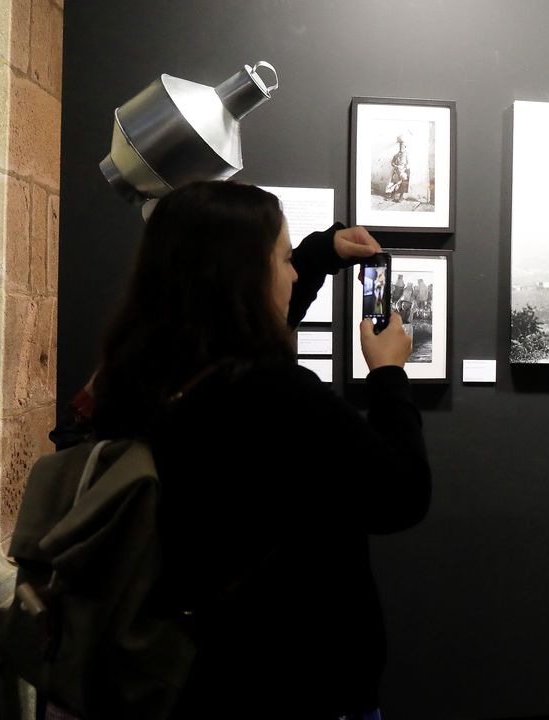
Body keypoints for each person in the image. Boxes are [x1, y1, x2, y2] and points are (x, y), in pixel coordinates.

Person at [84, 181, 431, 719]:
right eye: (286, 260)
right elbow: (403, 494)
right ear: (242, 278)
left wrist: (321, 252)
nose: (295, 274)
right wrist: (388, 375)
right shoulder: (277, 396)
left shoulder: (136, 379)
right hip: (299, 685)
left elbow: (253, 338)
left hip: (197, 675)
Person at [386, 135, 410, 200]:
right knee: (393, 181)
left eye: (402, 146)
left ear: (405, 147)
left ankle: (401, 197)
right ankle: (392, 196)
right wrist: (395, 166)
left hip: (403, 170)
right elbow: (392, 162)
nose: (401, 147)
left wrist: (405, 169)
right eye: (400, 146)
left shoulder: (407, 154)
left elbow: (408, 163)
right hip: (397, 170)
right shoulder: (396, 154)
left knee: (404, 181)